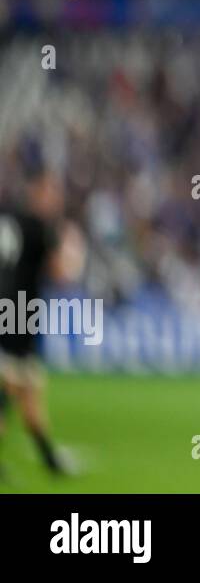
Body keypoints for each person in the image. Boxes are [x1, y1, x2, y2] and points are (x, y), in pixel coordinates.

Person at [0, 155, 85, 480]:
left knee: (21, 388)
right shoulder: (42, 228)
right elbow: (61, 274)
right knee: (19, 388)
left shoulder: (10, 217)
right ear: (38, 191)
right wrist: (72, 249)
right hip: (20, 315)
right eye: (52, 190)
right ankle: (51, 461)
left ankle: (50, 460)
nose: (56, 197)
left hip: (9, 310)